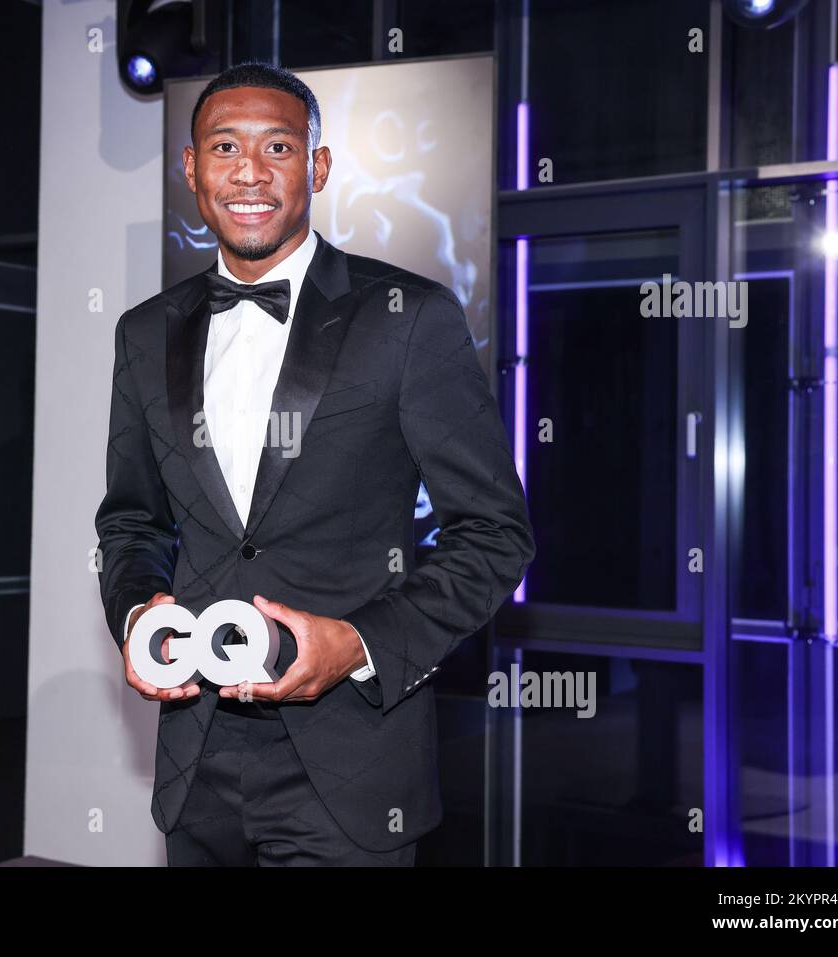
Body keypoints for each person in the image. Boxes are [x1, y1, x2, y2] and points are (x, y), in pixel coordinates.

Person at [94, 61, 535, 866]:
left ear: (318, 166)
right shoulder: (142, 332)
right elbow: (131, 518)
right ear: (192, 169)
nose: (250, 172)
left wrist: (357, 642)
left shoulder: (409, 318)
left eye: (279, 147)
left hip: (352, 765)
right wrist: (136, 614)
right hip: (195, 765)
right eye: (224, 146)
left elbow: (494, 534)